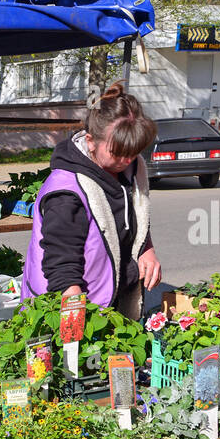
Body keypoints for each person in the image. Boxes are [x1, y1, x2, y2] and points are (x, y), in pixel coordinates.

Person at [22, 82, 162, 321]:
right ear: (90, 141)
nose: (126, 160)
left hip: (111, 299)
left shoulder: (130, 167)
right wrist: (74, 306)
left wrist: (146, 249)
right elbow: (61, 259)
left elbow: (135, 218)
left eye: (133, 151)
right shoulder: (66, 193)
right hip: (73, 305)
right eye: (118, 153)